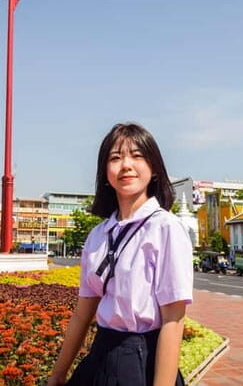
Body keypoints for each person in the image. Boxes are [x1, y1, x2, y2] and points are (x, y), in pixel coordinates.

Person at [48, 123, 192, 386]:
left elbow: (173, 319)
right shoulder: (98, 235)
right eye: (115, 158)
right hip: (100, 355)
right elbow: (83, 313)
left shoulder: (165, 228)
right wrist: (58, 374)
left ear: (154, 168)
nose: (126, 165)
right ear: (105, 172)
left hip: (140, 360)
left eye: (137, 156)